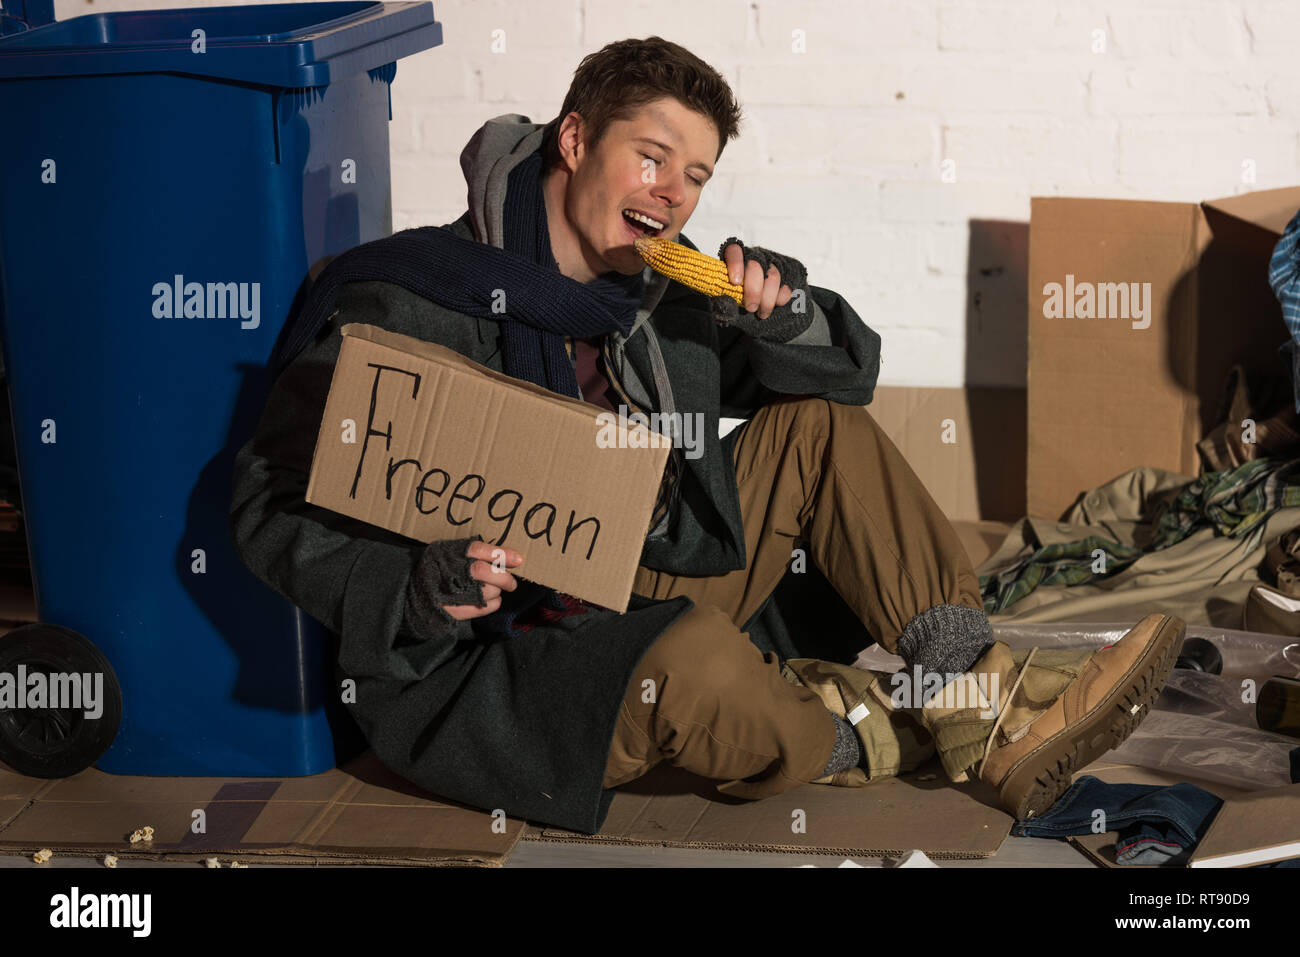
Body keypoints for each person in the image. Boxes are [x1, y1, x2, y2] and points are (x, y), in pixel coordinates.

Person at [229, 36, 1183, 836]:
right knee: (698, 668)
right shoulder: (413, 295)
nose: (671, 194)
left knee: (817, 428)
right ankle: (893, 727)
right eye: (651, 157)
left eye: (694, 176)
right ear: (574, 139)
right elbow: (265, 504)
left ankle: (971, 693)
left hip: (636, 573)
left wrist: (781, 316)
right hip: (502, 654)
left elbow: (848, 376)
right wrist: (417, 587)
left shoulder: (660, 296)